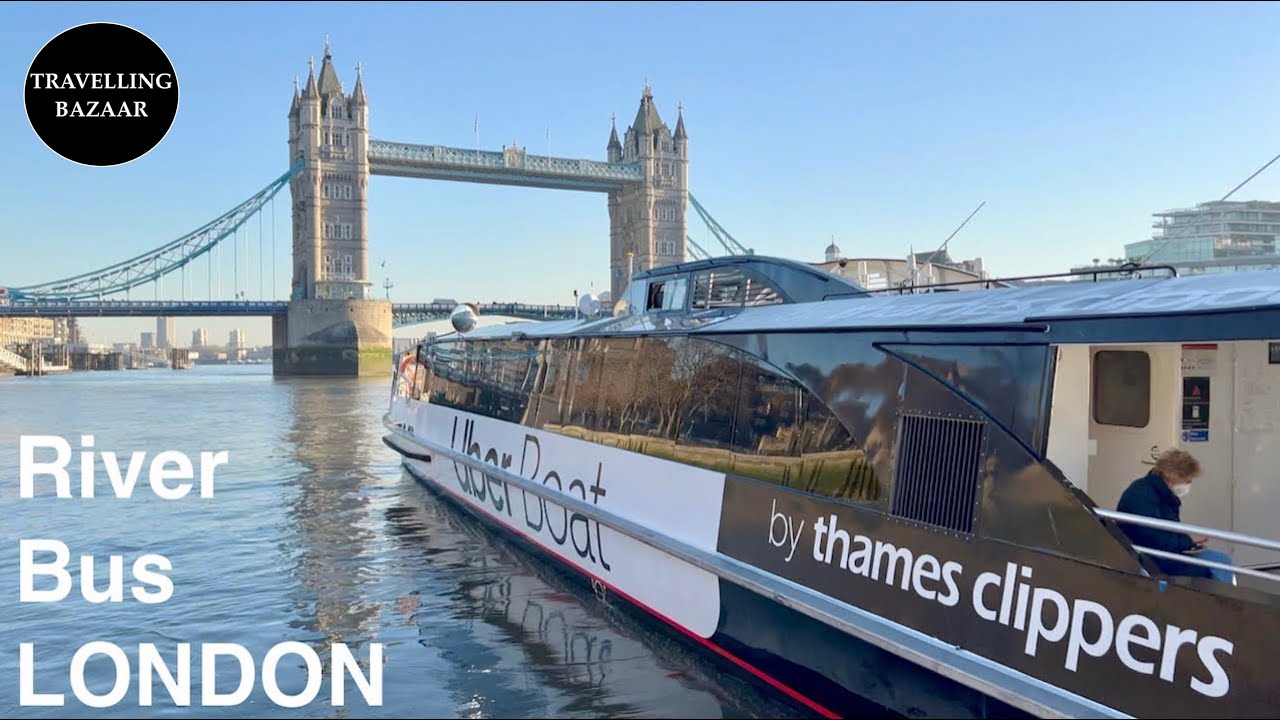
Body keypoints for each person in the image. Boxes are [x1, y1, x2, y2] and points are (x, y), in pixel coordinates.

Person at [1116, 449, 1235, 584]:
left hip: (1158, 553)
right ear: (1174, 476)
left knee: (1220, 559)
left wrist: (1189, 539)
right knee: (1220, 564)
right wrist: (1189, 540)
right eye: (1188, 480)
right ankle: (1220, 602)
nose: (1188, 484)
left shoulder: (1155, 492)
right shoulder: (1143, 496)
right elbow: (1156, 540)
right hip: (1151, 558)